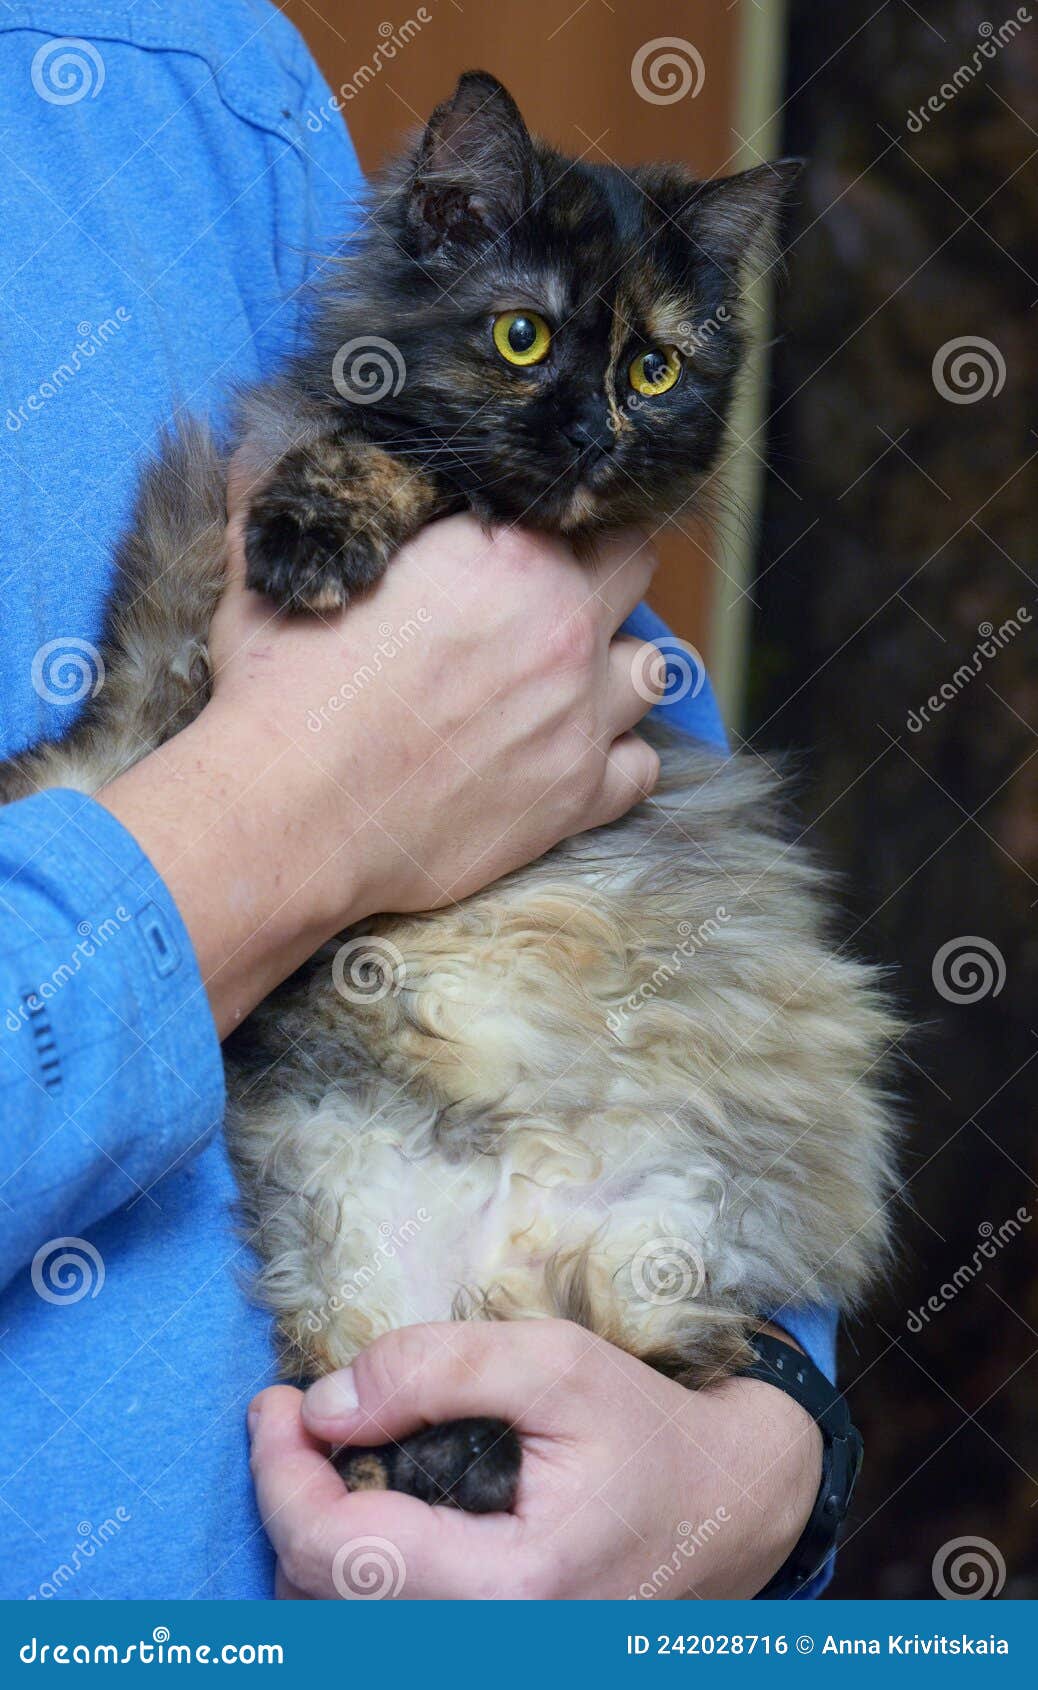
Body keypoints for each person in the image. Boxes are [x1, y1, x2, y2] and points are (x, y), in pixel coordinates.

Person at [0, 0, 834, 1600]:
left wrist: (763, 1451)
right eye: (532, 349)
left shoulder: (198, 63)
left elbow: (653, 847)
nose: (591, 420)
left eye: (647, 373)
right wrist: (279, 826)